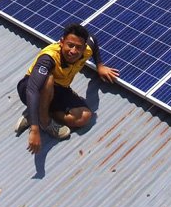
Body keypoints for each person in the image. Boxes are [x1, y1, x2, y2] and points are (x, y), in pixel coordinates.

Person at [15, 23, 119, 154]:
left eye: (78, 47)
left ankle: (35, 112)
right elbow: (32, 89)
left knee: (85, 117)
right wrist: (35, 130)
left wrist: (100, 66)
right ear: (62, 42)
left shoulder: (87, 48)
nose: (73, 51)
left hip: (60, 89)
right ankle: (44, 122)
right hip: (31, 86)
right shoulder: (49, 58)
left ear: (84, 47)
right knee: (48, 80)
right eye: (70, 45)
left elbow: (93, 39)